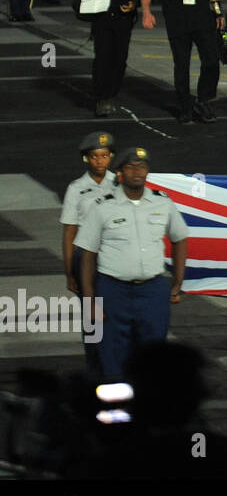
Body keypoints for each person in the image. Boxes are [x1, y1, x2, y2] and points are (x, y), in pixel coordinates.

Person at [74, 146, 188, 383]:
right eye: (130, 167)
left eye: (142, 167)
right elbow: (87, 255)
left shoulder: (163, 203)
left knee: (154, 352)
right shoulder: (102, 207)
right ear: (119, 173)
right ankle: (116, 407)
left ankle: (147, 408)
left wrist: (177, 281)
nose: (137, 171)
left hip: (152, 289)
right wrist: (90, 298)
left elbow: (179, 238)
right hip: (113, 289)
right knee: (112, 353)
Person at [140, 0, 224, 123]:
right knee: (182, 65)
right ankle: (185, 105)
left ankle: (203, 100)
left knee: (212, 60)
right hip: (178, 21)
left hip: (203, 18)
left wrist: (219, 13)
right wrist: (146, 12)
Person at [60, 132, 116, 373]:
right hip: (87, 260)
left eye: (104, 156)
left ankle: (115, 363)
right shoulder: (76, 189)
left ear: (111, 157)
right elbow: (70, 232)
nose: (100, 161)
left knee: (116, 313)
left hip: (114, 256)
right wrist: (69, 271)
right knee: (92, 316)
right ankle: (95, 365)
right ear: (87, 159)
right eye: (95, 156)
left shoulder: (121, 183)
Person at [80, 0, 145, 117]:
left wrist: (134, 4)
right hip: (102, 17)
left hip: (124, 19)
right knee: (102, 57)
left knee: (120, 59)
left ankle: (112, 93)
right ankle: (102, 97)